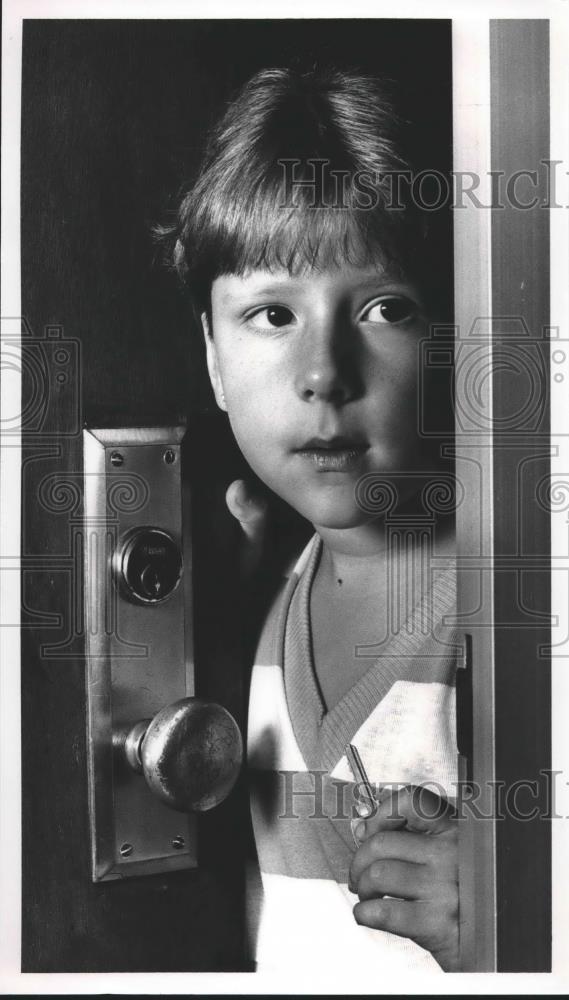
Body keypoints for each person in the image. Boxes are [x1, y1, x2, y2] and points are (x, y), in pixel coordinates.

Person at [159, 66, 459, 974]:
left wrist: (517, 921)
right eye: (272, 313)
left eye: (383, 308)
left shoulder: (513, 599)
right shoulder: (271, 595)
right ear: (213, 359)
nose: (325, 369)